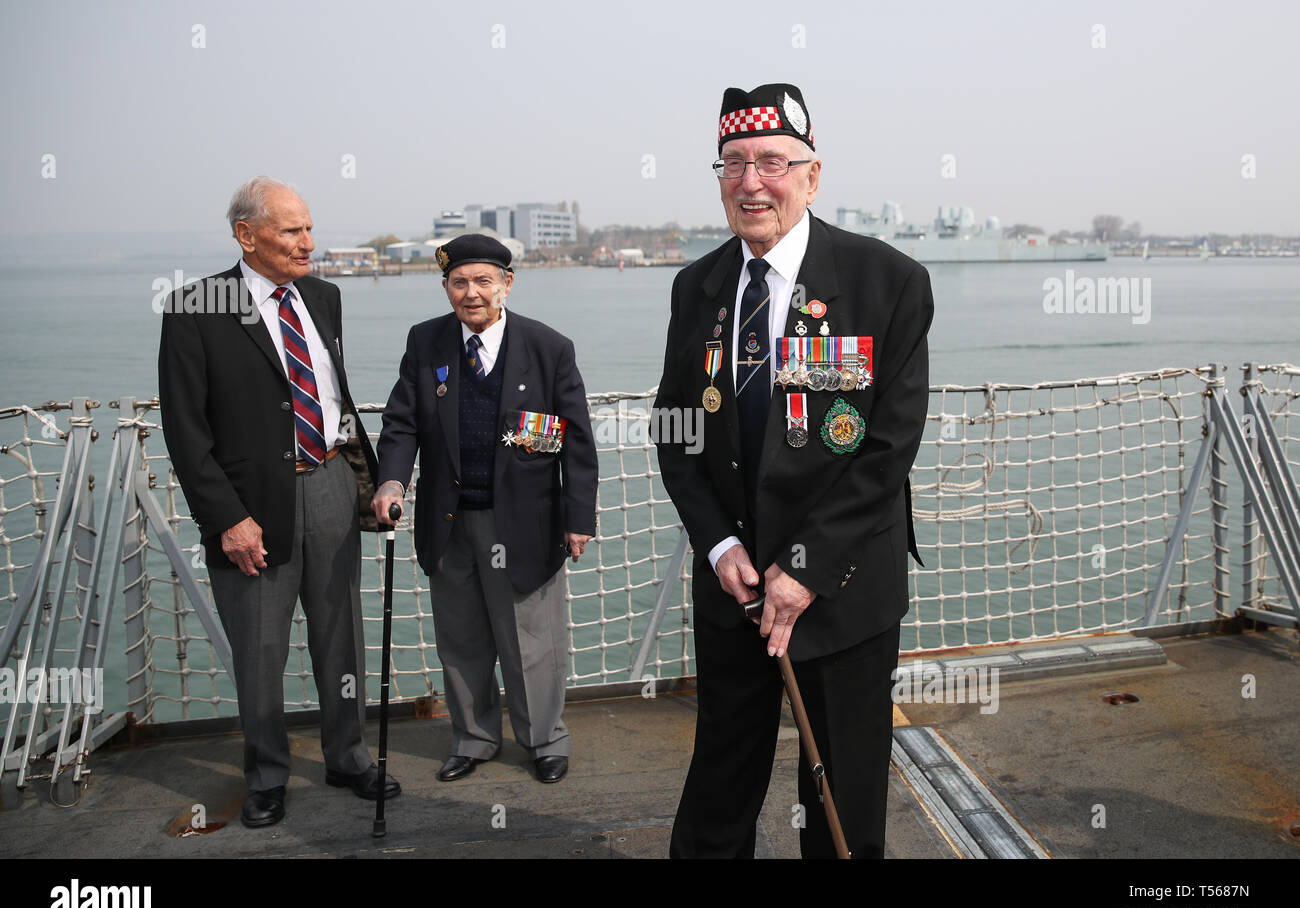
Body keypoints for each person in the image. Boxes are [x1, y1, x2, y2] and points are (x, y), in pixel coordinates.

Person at [653, 84, 933, 858]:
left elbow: (887, 447)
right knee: (719, 786)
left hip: (841, 594)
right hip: (737, 590)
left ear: (812, 176)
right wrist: (718, 549)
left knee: (840, 799)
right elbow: (675, 434)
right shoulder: (696, 288)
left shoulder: (888, 283)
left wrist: (801, 567)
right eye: (733, 163)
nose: (751, 182)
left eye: (773, 162)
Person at [157, 175, 399, 829]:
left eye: (309, 228)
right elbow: (186, 430)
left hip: (329, 488)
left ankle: (349, 756)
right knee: (261, 649)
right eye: (292, 231)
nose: (308, 243)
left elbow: (336, 402)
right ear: (247, 234)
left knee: (340, 636)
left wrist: (365, 482)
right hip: (250, 507)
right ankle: (266, 774)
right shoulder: (193, 307)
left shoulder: (323, 296)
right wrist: (227, 518)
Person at [372, 234, 598, 784]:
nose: (471, 294)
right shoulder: (425, 343)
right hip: (450, 522)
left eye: (483, 282)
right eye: (459, 283)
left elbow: (577, 441)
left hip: (524, 522)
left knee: (531, 642)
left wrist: (577, 519)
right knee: (462, 638)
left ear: (506, 284)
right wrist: (393, 481)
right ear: (446, 286)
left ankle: (544, 740)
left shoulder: (549, 348)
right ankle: (473, 738)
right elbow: (401, 422)